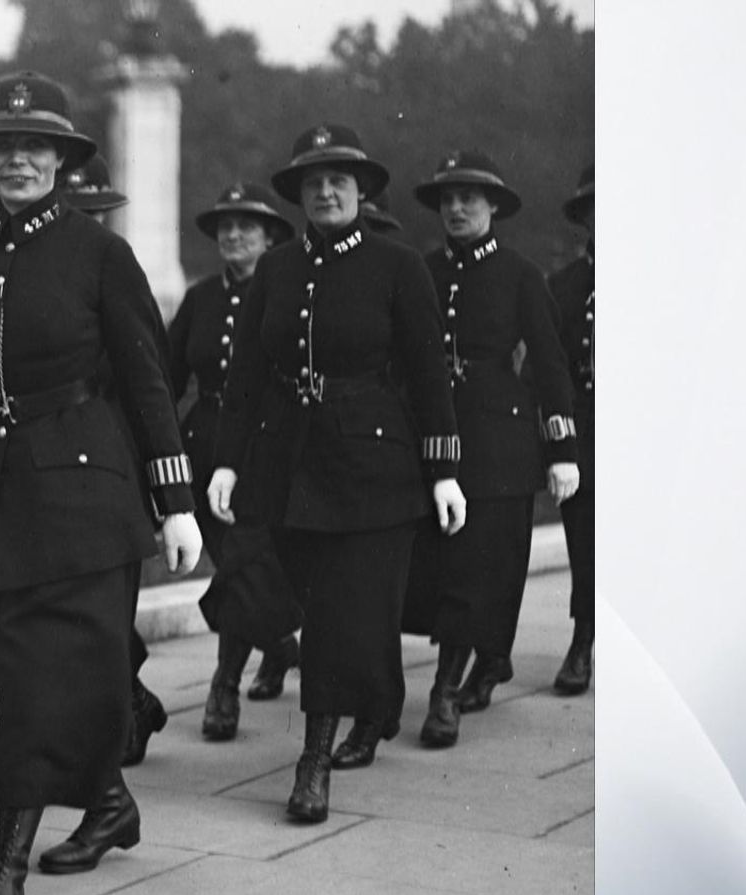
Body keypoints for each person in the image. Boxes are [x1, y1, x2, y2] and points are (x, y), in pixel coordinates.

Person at [0, 73, 201, 895]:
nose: (17, 160)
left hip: (80, 497)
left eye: (35, 147)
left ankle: (5, 868)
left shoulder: (101, 255)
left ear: (62, 160)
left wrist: (174, 499)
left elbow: (147, 381)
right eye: (3, 146)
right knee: (50, 674)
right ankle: (110, 803)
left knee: (29, 682)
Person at [205, 123, 466, 821]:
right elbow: (245, 375)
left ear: (360, 191)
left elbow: (428, 374)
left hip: (372, 465)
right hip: (288, 462)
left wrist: (443, 468)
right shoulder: (277, 269)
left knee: (338, 613)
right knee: (275, 590)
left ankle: (312, 762)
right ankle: (375, 702)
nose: (325, 192)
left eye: (338, 181)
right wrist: (227, 461)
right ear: (299, 195)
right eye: (313, 182)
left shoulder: (396, 266)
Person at [404, 151, 580, 746]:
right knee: (444, 566)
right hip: (434, 436)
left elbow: (550, 365)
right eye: (448, 199)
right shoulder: (422, 271)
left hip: (500, 442)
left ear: (494, 207)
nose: (456, 209)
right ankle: (485, 661)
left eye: (469, 198)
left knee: (485, 566)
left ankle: (445, 692)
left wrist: (562, 448)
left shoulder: (520, 275)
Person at [168, 181, 303, 742]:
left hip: (263, 448)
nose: (234, 235)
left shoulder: (288, 293)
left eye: (247, 226)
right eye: (225, 226)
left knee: (243, 566)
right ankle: (281, 647)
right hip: (204, 447)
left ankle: (224, 685)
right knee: (233, 566)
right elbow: (168, 375)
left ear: (270, 237)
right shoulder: (200, 298)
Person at [62, 160, 170, 768]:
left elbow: (153, 374)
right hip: (51, 461)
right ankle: (128, 701)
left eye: (97, 212)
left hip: (113, 459)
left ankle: (124, 708)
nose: (90, 223)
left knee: (107, 599)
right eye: (79, 211)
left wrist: (159, 479)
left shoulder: (116, 268)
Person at [547, 165, 594, 694]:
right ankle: (583, 639)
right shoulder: (563, 286)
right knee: (583, 539)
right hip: (584, 425)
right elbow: (549, 365)